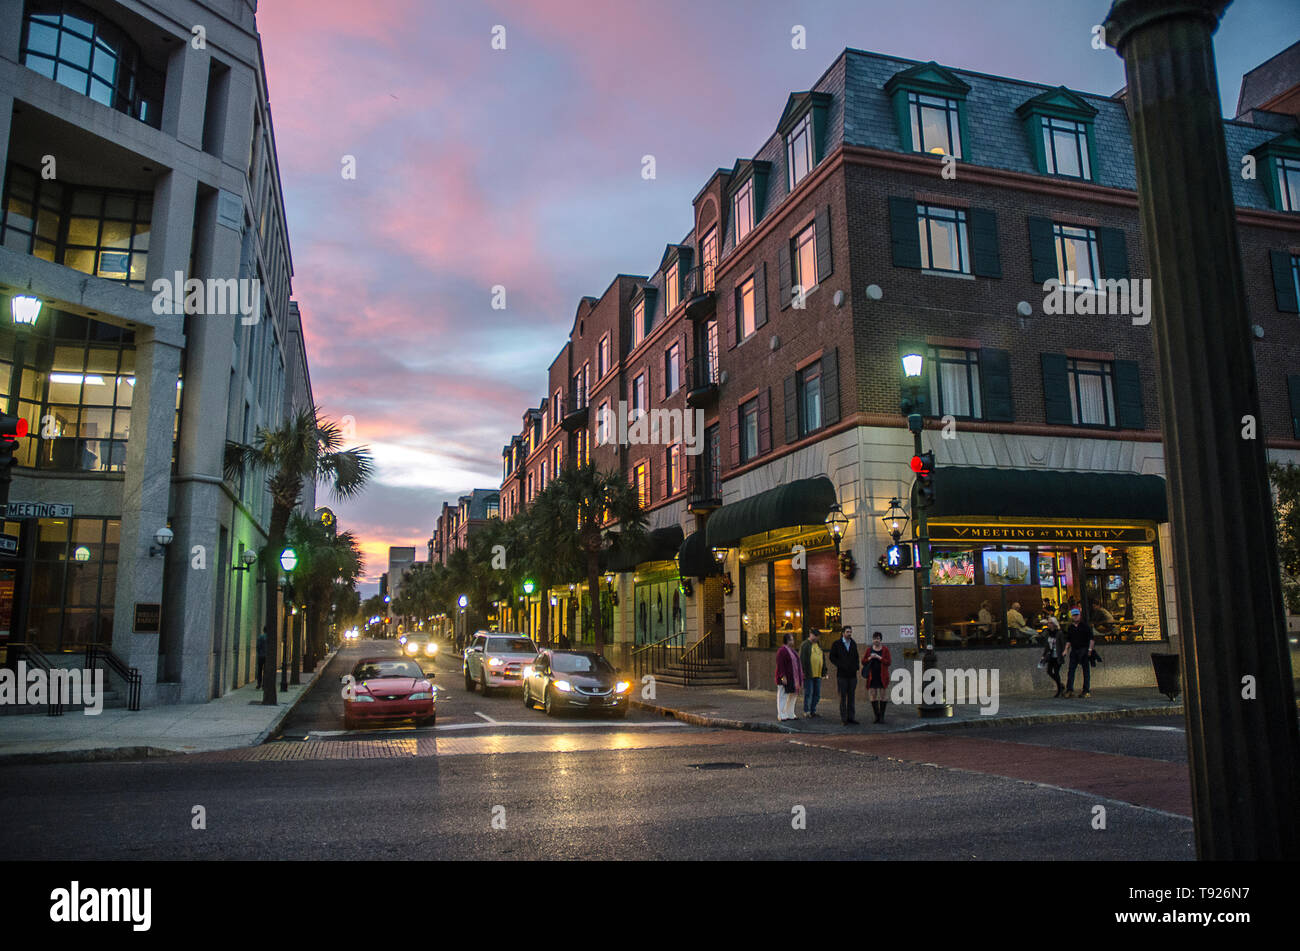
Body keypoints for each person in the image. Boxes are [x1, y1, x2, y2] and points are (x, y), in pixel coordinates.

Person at [828, 625, 861, 725]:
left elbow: (856, 656)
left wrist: (856, 667)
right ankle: (844, 718)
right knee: (843, 697)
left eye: (850, 632)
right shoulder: (837, 644)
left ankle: (851, 717)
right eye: (847, 632)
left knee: (851, 697)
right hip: (842, 675)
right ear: (843, 633)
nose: (849, 634)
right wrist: (840, 665)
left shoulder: (853, 643)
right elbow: (832, 657)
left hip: (852, 675)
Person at [1063, 607, 1095, 698]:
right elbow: (1068, 640)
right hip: (1075, 650)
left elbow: (1091, 639)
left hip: (1084, 649)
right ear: (1071, 616)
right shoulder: (1070, 628)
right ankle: (1069, 689)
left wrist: (1089, 650)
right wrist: (1066, 650)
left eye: (1077, 615)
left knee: (1086, 670)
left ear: (1080, 616)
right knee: (1071, 670)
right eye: (1074, 615)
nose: (1075, 617)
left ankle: (1086, 690)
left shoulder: (1085, 626)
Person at [862, 631, 893, 723]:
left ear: (881, 640)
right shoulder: (869, 650)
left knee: (883, 695)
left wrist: (879, 658)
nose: (876, 641)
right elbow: (863, 661)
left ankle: (882, 716)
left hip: (882, 675)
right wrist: (869, 658)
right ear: (872, 640)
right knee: (873, 695)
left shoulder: (885, 650)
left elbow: (888, 662)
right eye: (875, 639)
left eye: (878, 639)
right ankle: (877, 716)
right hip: (872, 676)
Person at [775, 632, 803, 721]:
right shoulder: (782, 651)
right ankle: (782, 714)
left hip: (793, 678)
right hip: (786, 677)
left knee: (792, 696)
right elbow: (780, 664)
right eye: (791, 639)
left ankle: (790, 713)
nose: (793, 641)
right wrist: (782, 676)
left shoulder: (792, 651)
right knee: (783, 696)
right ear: (788, 640)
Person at [798, 628, 825, 717]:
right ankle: (807, 711)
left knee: (817, 694)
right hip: (809, 673)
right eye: (816, 636)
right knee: (808, 692)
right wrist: (803, 672)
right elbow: (802, 659)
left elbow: (822, 658)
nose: (817, 638)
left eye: (818, 636)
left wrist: (824, 670)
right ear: (811, 635)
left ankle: (813, 710)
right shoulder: (805, 645)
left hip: (818, 673)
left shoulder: (818, 645)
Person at [1041, 616, 1066, 697]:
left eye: (1051, 623)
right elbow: (1047, 645)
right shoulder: (1048, 633)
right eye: (1048, 623)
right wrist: (1044, 655)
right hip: (1051, 655)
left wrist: (1064, 652)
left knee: (1056, 671)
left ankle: (1059, 689)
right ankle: (1060, 684)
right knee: (1049, 671)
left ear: (1054, 624)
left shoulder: (1059, 633)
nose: (1049, 624)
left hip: (1058, 655)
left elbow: (1063, 644)